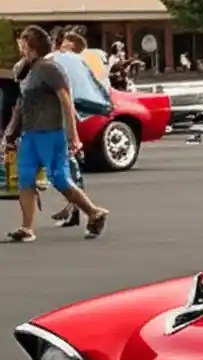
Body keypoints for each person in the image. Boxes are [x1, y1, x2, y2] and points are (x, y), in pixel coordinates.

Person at [2, 26, 109, 243]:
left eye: (22, 40)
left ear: (31, 44)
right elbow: (22, 104)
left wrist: (73, 134)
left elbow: (66, 100)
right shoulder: (29, 70)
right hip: (30, 133)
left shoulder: (50, 68)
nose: (19, 44)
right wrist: (11, 131)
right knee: (25, 178)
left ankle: (94, 212)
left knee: (60, 178)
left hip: (51, 132)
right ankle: (27, 228)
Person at [49, 30, 102, 229]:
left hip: (61, 120)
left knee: (68, 166)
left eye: (64, 42)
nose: (61, 45)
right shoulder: (77, 65)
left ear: (71, 45)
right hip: (65, 118)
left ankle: (80, 210)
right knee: (69, 166)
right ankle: (73, 209)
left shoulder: (66, 62)